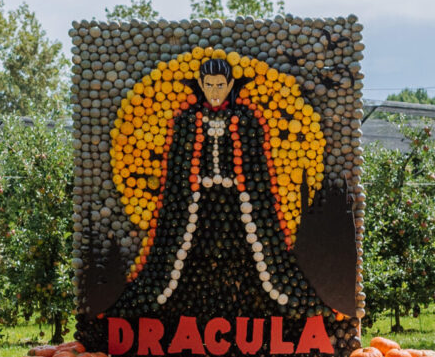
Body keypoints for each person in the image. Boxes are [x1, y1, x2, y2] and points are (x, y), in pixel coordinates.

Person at [104, 57, 333, 324]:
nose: (214, 91)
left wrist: (242, 187)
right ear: (200, 84)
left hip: (238, 206)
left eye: (220, 85)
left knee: (246, 260)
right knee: (192, 262)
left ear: (231, 84)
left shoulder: (247, 120)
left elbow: (257, 167)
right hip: (197, 207)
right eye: (209, 85)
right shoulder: (187, 121)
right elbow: (177, 171)